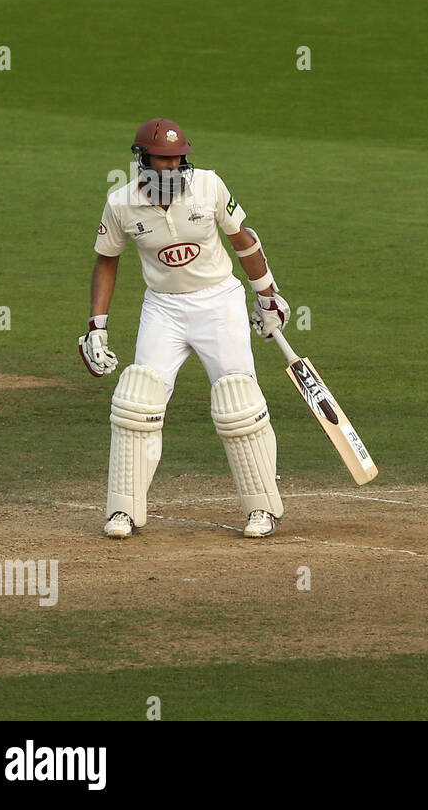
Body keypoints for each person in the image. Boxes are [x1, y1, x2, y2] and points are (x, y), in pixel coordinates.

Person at [79, 118, 291, 539]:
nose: (174, 168)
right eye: (165, 160)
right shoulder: (121, 203)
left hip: (219, 303)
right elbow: (107, 259)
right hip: (164, 309)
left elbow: (243, 239)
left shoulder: (210, 186)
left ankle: (262, 507)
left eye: (180, 159)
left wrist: (268, 296)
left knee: (239, 402)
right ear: (142, 161)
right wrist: (96, 327)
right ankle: (124, 510)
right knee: (137, 400)